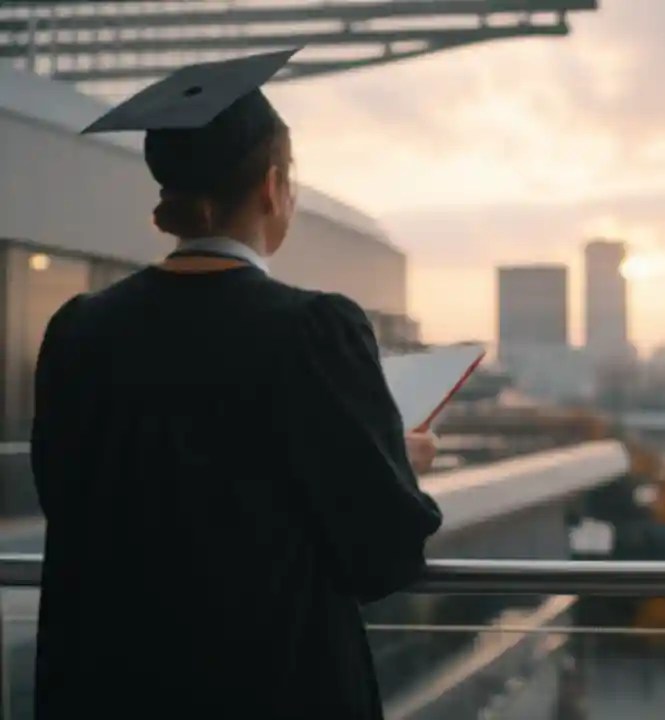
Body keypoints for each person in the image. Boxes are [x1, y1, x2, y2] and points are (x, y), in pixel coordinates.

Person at [30, 48, 442, 719]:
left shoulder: (80, 331)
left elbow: (70, 504)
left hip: (107, 688)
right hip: (272, 690)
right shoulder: (312, 332)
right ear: (274, 187)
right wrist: (400, 462)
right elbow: (382, 557)